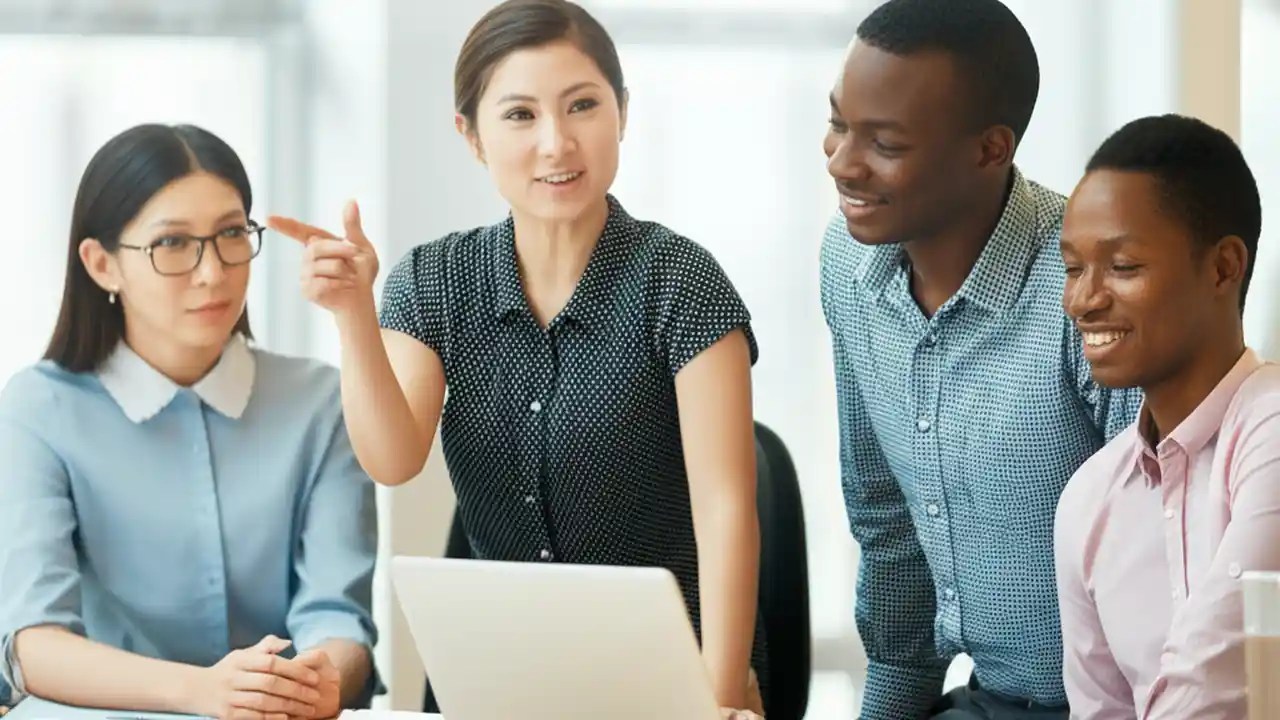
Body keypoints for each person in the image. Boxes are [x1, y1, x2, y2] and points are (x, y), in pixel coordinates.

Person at [268, 0, 765, 716]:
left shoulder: (681, 282)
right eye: (520, 115)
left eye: (582, 105)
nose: (557, 143)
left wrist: (715, 698)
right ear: (471, 136)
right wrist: (353, 314)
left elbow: (726, 509)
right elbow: (392, 457)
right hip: (491, 678)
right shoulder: (432, 281)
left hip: (665, 677)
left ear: (622, 112)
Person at [818, 0, 1144, 717]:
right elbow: (886, 523)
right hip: (987, 701)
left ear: (990, 149)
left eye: (886, 144)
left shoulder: (1092, 292)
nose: (843, 162)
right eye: (839, 123)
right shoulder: (847, 263)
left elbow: (1162, 562)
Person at [0, 124, 378, 720]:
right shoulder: (37, 408)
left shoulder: (319, 400)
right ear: (102, 265)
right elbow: (35, 643)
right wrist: (200, 692)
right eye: (172, 243)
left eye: (231, 233)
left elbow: (338, 617)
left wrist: (322, 677)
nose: (213, 272)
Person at [1054, 114, 1278, 719]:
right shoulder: (1089, 499)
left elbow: (1214, 679)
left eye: (1123, 267)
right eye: (1073, 268)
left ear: (1223, 267)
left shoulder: (1271, 426)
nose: (1084, 299)